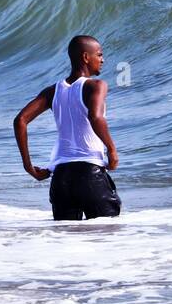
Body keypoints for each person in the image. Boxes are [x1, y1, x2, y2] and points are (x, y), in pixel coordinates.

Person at [13, 35, 121, 220]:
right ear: (86, 57)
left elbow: (20, 120)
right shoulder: (97, 85)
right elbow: (95, 116)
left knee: (67, 243)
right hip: (90, 176)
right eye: (99, 54)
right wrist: (111, 150)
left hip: (60, 180)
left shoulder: (53, 91)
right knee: (109, 238)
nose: (103, 60)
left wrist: (28, 166)